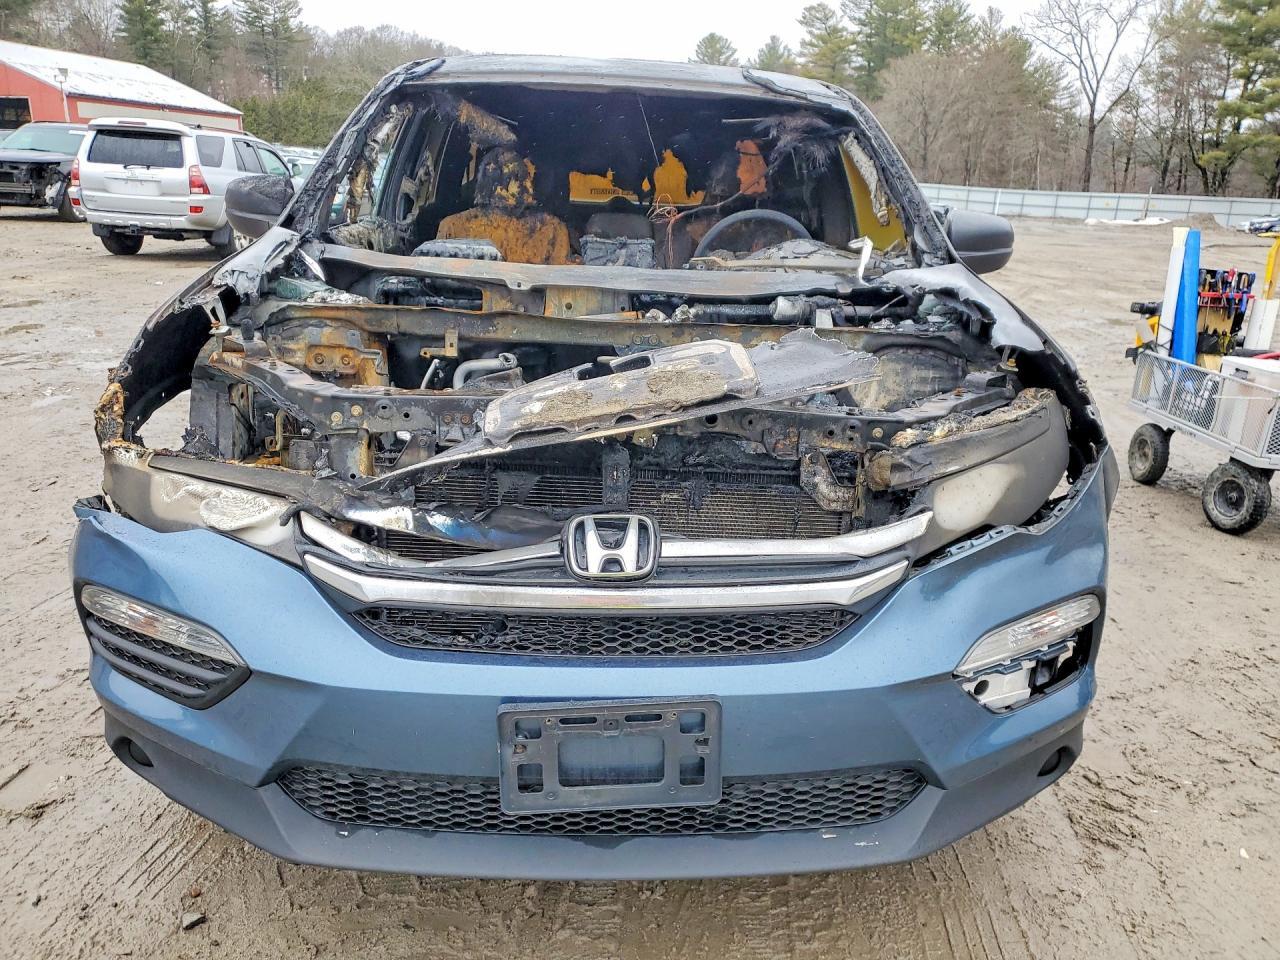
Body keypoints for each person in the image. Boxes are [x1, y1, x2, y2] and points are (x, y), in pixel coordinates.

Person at [436, 148, 573, 265]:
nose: (529, 189)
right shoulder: (453, 227)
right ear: (496, 187)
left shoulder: (551, 230)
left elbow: (559, 291)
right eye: (519, 179)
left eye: (528, 180)